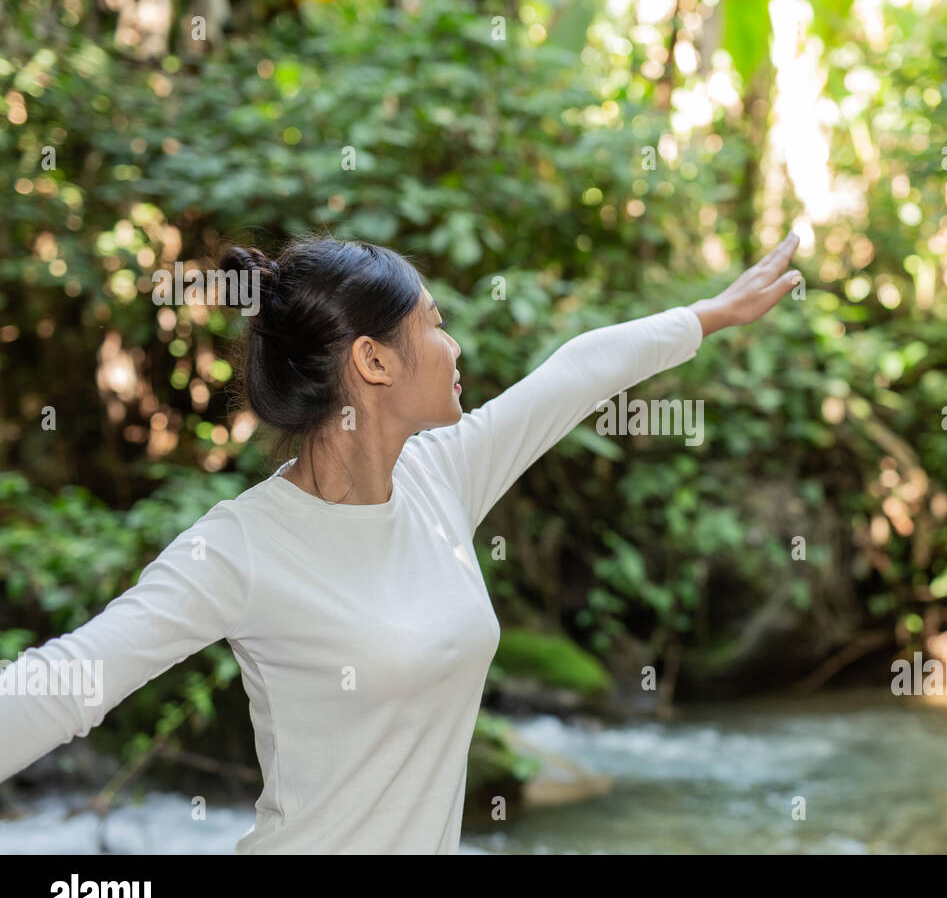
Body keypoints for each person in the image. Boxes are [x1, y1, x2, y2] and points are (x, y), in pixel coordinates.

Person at [0, 231, 803, 853]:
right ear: (373, 361)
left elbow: (575, 375)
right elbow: (68, 681)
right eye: (436, 325)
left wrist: (708, 314)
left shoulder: (440, 475)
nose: (455, 348)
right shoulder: (242, 546)